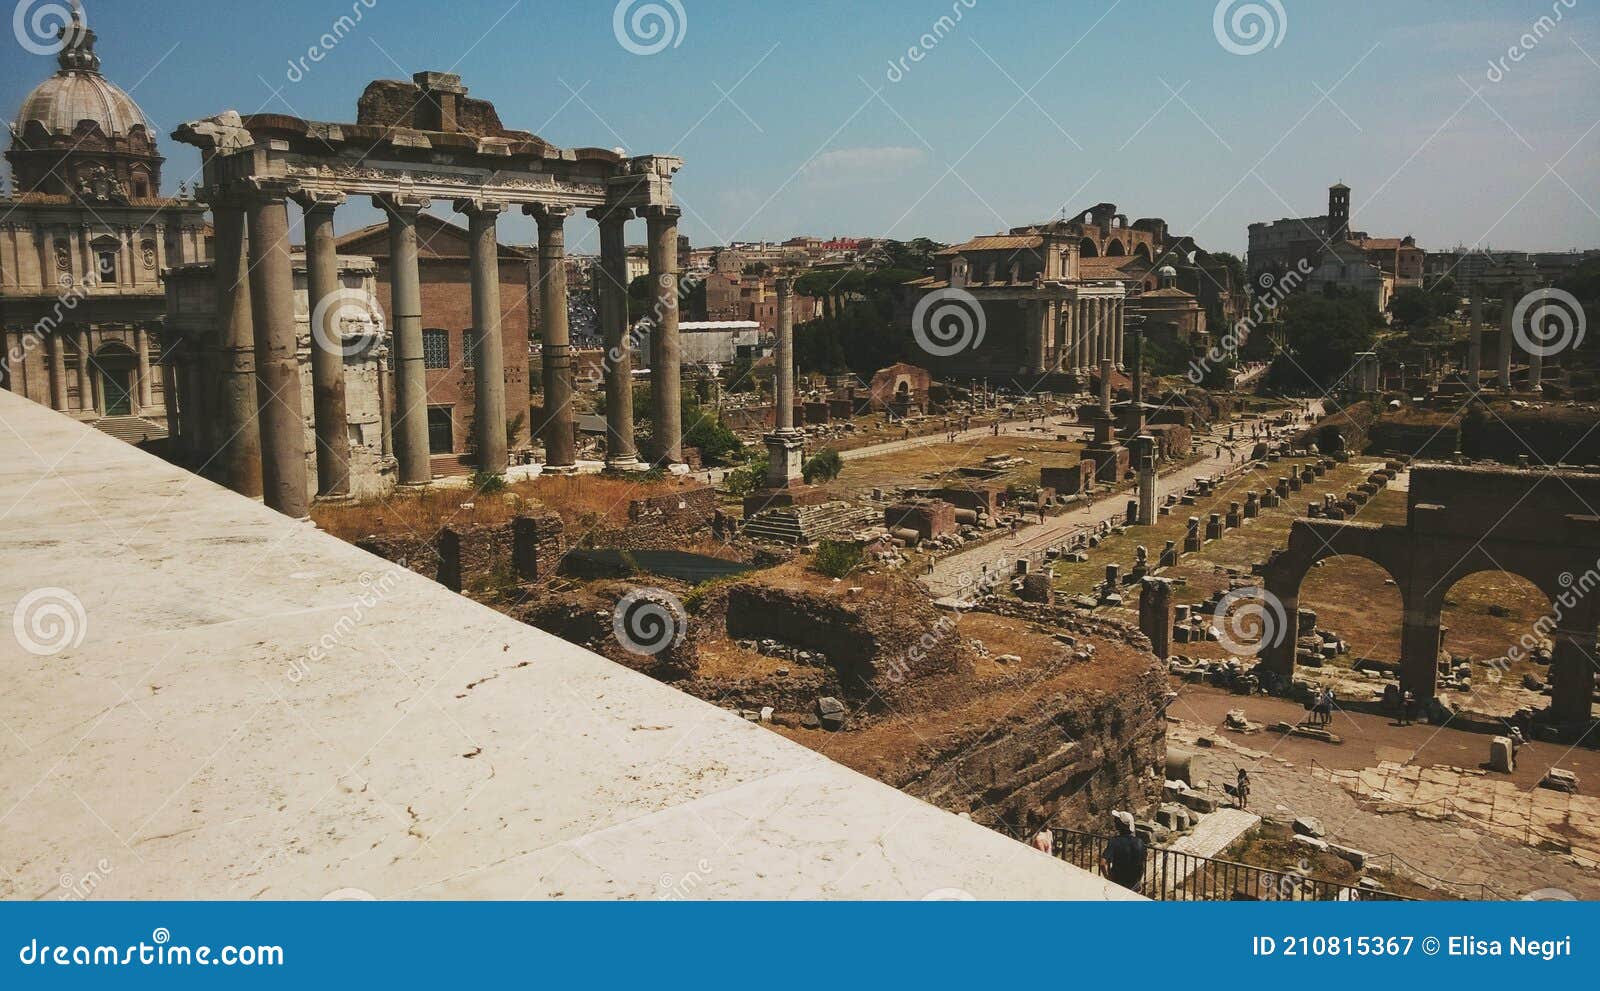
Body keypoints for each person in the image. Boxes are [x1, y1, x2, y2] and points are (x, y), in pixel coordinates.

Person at [1100, 814, 1146, 891]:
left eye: (1116, 821)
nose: (1115, 822)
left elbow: (1102, 863)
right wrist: (1139, 881)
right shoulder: (1140, 842)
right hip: (1134, 884)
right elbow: (1141, 865)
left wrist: (1108, 879)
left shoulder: (1114, 841)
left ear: (1119, 825)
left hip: (1117, 883)